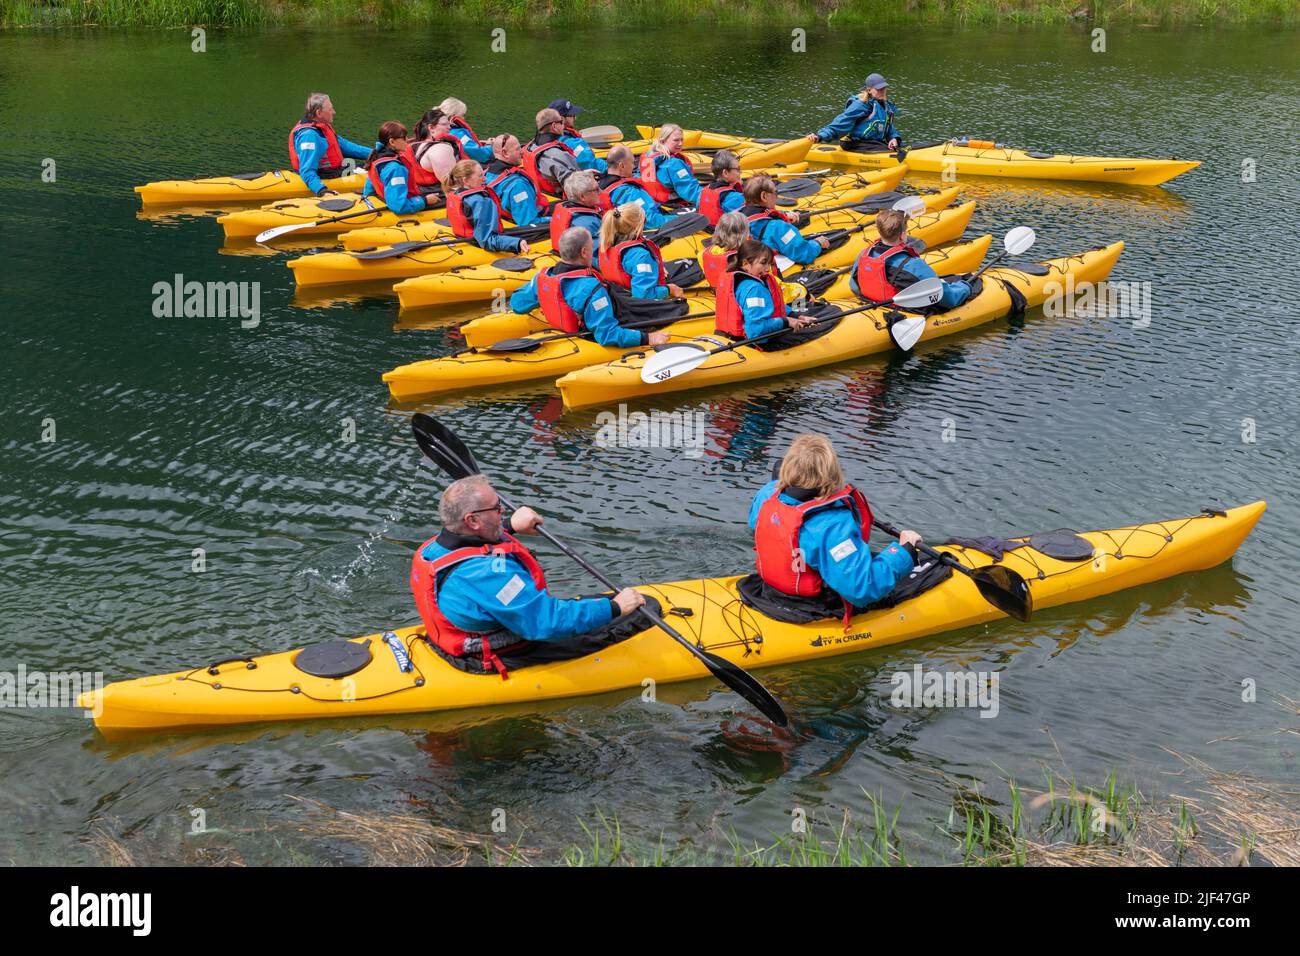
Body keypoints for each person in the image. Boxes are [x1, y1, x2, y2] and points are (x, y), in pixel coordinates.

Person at [411, 475, 652, 677]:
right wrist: (614, 609)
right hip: (498, 653)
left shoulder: (433, 549)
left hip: (452, 641)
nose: (502, 510)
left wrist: (508, 525)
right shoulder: (489, 575)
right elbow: (546, 622)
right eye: (496, 508)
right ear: (472, 520)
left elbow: (473, 548)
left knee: (602, 605)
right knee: (645, 610)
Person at [748, 433, 921, 623]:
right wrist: (904, 552)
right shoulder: (833, 525)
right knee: (918, 567)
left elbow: (755, 523)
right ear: (831, 473)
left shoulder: (767, 495)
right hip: (812, 606)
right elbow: (861, 589)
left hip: (769, 592)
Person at [510, 227, 672, 349]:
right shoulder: (592, 289)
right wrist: (648, 339)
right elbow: (607, 335)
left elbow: (517, 304)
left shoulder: (542, 277)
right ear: (584, 252)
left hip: (565, 329)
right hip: (589, 337)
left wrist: (545, 299)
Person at [850, 209, 971, 308]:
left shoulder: (864, 254)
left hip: (873, 303)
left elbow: (854, 286)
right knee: (970, 283)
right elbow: (947, 298)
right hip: (900, 309)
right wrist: (965, 287)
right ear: (902, 235)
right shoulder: (913, 265)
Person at [714, 240, 823, 349]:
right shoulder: (754, 289)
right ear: (745, 264)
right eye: (763, 263)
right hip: (757, 343)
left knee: (805, 310)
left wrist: (796, 316)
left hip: (732, 338)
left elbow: (772, 305)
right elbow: (756, 332)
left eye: (769, 264)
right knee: (825, 316)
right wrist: (786, 321)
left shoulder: (736, 279)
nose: (767, 269)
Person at [288, 92, 371, 197]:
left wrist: (375, 153)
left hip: (334, 172)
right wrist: (321, 190)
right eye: (330, 109)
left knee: (372, 164)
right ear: (319, 113)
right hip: (325, 176)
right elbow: (307, 170)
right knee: (378, 170)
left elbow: (346, 147)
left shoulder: (322, 127)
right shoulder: (309, 136)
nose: (334, 112)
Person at [596, 204, 684, 301]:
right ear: (637, 226)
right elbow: (643, 295)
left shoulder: (605, 246)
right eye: (644, 221)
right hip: (640, 306)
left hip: (621, 297)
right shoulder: (640, 255)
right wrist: (669, 289)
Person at [444, 160, 530, 254]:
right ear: (466, 180)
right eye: (480, 175)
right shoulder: (481, 201)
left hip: (466, 239)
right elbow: (487, 240)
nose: (485, 179)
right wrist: (517, 243)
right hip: (479, 243)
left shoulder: (454, 195)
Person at [740, 175, 829, 265]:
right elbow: (803, 254)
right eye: (775, 192)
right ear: (764, 196)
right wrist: (817, 243)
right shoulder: (779, 228)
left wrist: (784, 215)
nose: (777, 196)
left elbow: (760, 215)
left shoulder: (739, 218)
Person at [806, 73, 902, 152]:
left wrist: (893, 138)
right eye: (879, 89)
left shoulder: (885, 106)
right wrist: (820, 136)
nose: (882, 91)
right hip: (855, 144)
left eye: (883, 88)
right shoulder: (860, 105)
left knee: (903, 147)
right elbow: (840, 124)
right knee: (895, 152)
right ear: (869, 90)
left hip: (873, 144)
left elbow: (888, 127)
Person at [361, 121, 436, 216]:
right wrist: (425, 201)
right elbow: (399, 207)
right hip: (403, 206)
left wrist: (366, 197)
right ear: (392, 142)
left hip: (383, 200)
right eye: (404, 138)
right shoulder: (396, 169)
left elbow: (369, 186)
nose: (407, 140)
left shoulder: (376, 157)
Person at [598, 146, 672, 229]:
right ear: (621, 165)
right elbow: (651, 221)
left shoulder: (601, 183)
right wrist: (678, 219)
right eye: (632, 163)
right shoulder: (628, 192)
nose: (634, 167)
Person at [485, 133, 550, 227]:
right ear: (505, 153)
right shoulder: (518, 185)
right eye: (517, 149)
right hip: (528, 224)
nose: (522, 152)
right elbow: (528, 222)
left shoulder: (487, 174)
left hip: (506, 217)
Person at [522, 107, 582, 196]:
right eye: (561, 122)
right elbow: (578, 187)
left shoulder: (529, 147)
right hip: (560, 198)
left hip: (543, 193)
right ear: (554, 126)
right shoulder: (557, 155)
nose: (563, 125)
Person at [638, 123, 700, 207]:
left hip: (653, 202)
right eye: (676, 140)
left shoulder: (646, 157)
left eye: (682, 140)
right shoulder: (674, 164)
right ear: (663, 141)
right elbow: (692, 193)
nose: (680, 143)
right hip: (671, 205)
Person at [548, 98, 608, 173]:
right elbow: (593, 164)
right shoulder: (571, 143)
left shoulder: (542, 139)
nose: (575, 117)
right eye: (571, 115)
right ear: (562, 119)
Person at [410, 109, 466, 186]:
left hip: (425, 193)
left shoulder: (416, 145)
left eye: (449, 124)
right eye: (444, 124)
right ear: (431, 128)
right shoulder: (440, 148)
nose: (449, 127)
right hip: (442, 195)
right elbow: (452, 185)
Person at [548, 171, 602, 250]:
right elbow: (596, 256)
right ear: (582, 196)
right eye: (596, 189)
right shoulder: (588, 224)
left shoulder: (568, 209)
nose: (600, 191)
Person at [701, 210, 750, 290]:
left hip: (716, 291)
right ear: (743, 234)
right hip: (734, 293)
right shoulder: (741, 257)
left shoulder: (704, 253)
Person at [437, 97, 494, 163]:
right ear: (453, 117)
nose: (463, 118)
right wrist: (491, 147)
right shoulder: (457, 134)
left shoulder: (435, 130)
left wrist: (482, 143)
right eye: (462, 115)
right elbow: (481, 155)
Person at [699, 150, 744, 226]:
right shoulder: (735, 197)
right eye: (737, 169)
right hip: (724, 235)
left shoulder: (705, 190)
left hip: (708, 230)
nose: (741, 172)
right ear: (725, 173)